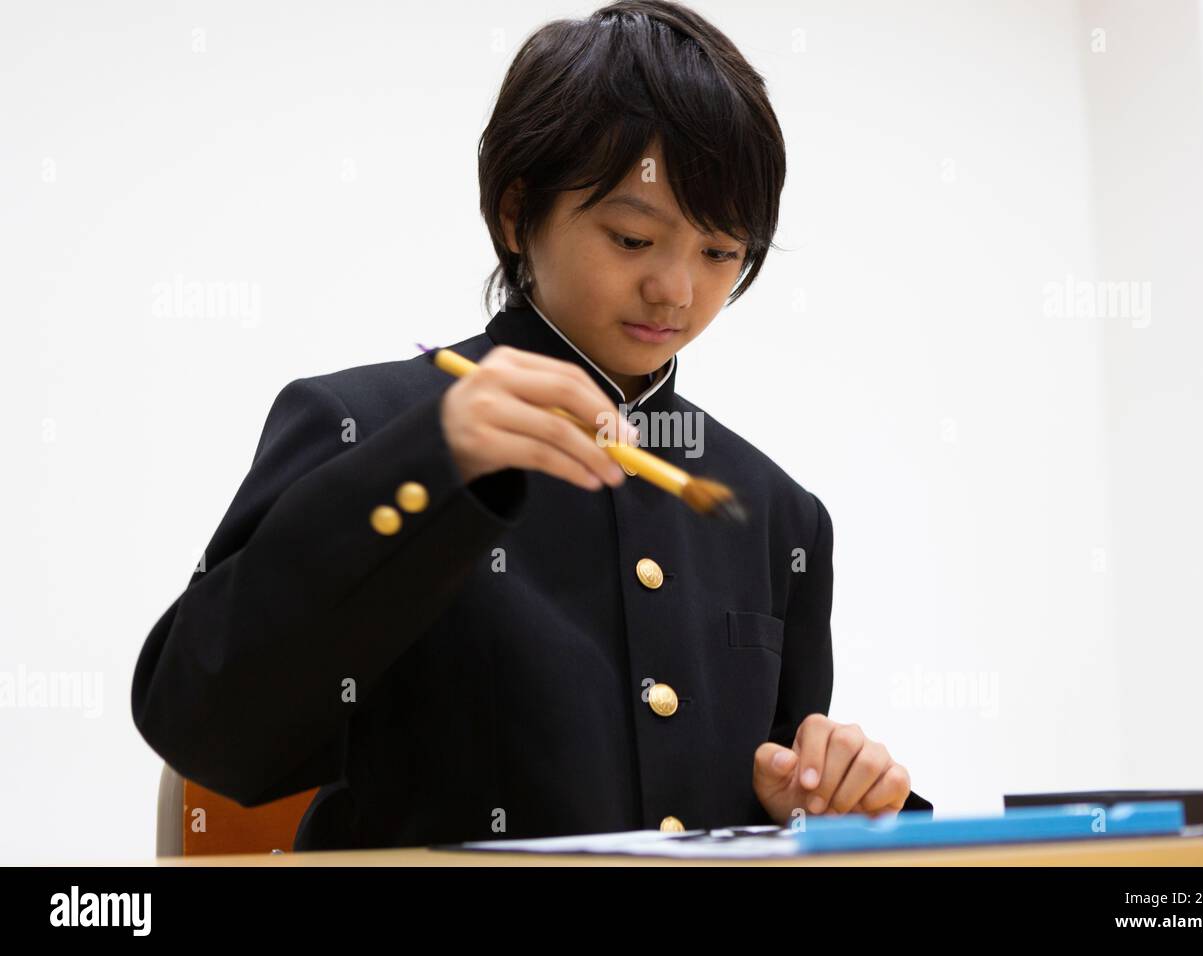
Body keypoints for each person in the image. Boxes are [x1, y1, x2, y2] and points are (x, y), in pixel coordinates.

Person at [131, 0, 931, 851]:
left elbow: (782, 794)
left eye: (720, 251)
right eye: (632, 238)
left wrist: (828, 806)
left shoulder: (777, 511)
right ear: (519, 214)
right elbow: (206, 728)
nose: (677, 290)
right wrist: (431, 463)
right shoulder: (365, 427)